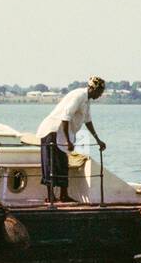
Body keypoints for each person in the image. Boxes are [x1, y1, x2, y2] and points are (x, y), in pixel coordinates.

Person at [36, 76, 107, 204]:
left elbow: (88, 121)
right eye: (99, 92)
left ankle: (63, 195)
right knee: (51, 163)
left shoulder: (87, 100)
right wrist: (68, 141)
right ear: (92, 88)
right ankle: (50, 196)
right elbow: (65, 117)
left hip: (63, 133)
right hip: (52, 131)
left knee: (63, 164)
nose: (100, 95)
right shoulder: (79, 96)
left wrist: (98, 139)